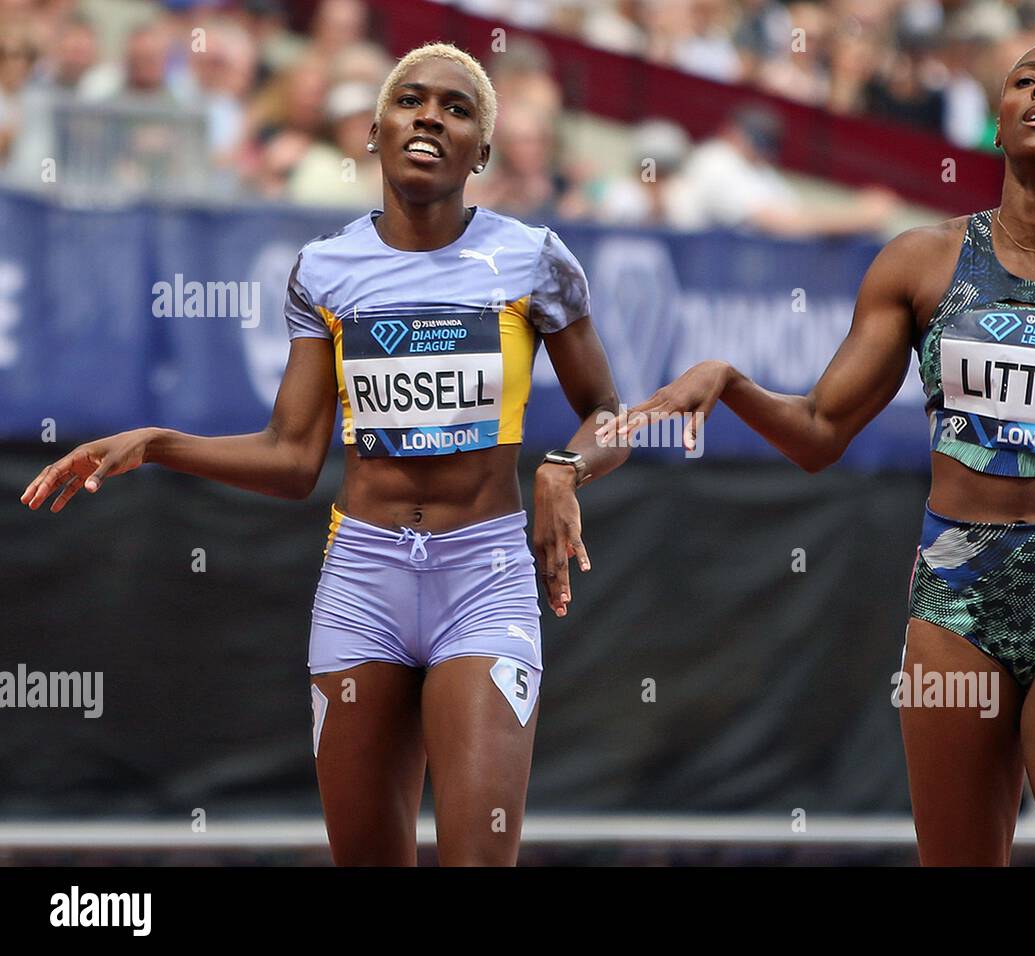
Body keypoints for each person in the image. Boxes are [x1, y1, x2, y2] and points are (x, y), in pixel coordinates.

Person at [608, 39, 1035, 865]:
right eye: (1023, 82)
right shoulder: (922, 262)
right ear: (996, 126)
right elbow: (821, 432)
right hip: (955, 592)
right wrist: (731, 382)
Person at [21, 42, 627, 866]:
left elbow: (610, 414)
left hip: (483, 578)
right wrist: (160, 443)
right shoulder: (326, 270)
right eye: (410, 101)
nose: (429, 117)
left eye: (457, 109)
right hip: (363, 586)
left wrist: (568, 467)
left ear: (482, 150)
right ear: (375, 130)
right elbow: (293, 455)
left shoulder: (533, 259)